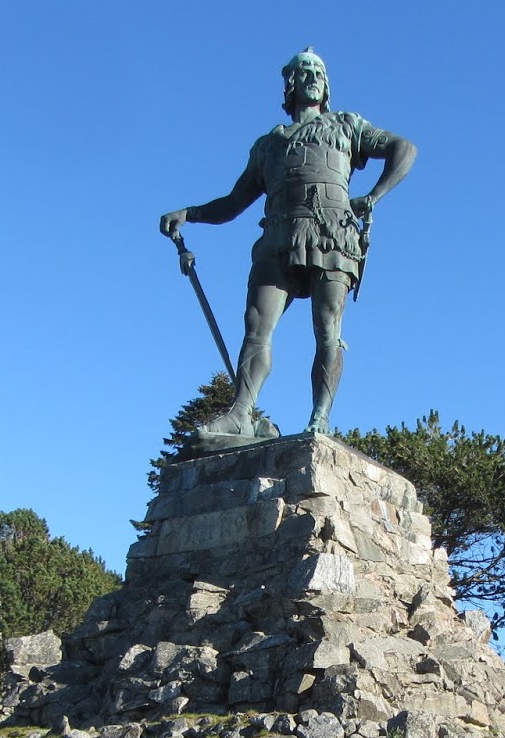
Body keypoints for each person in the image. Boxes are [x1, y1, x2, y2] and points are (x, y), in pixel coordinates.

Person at [160, 48, 416, 442]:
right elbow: (233, 203)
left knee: (327, 329)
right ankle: (242, 412)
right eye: (305, 71)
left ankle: (319, 417)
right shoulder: (268, 146)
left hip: (332, 234)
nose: (313, 76)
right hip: (278, 234)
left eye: (319, 71)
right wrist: (189, 213)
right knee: (255, 325)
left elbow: (404, 148)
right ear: (290, 84)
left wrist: (374, 195)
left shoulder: (346, 126)